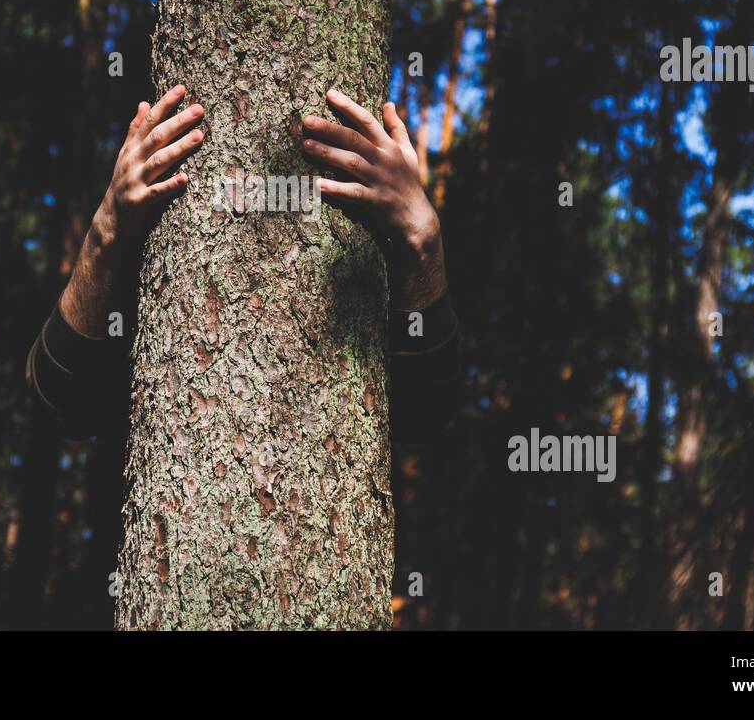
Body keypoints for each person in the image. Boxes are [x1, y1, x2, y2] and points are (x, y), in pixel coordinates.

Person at [26, 84, 459, 626]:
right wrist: (106, 232)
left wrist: (423, 239)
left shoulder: (378, 249)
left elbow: (428, 413)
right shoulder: (148, 243)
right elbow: (56, 399)